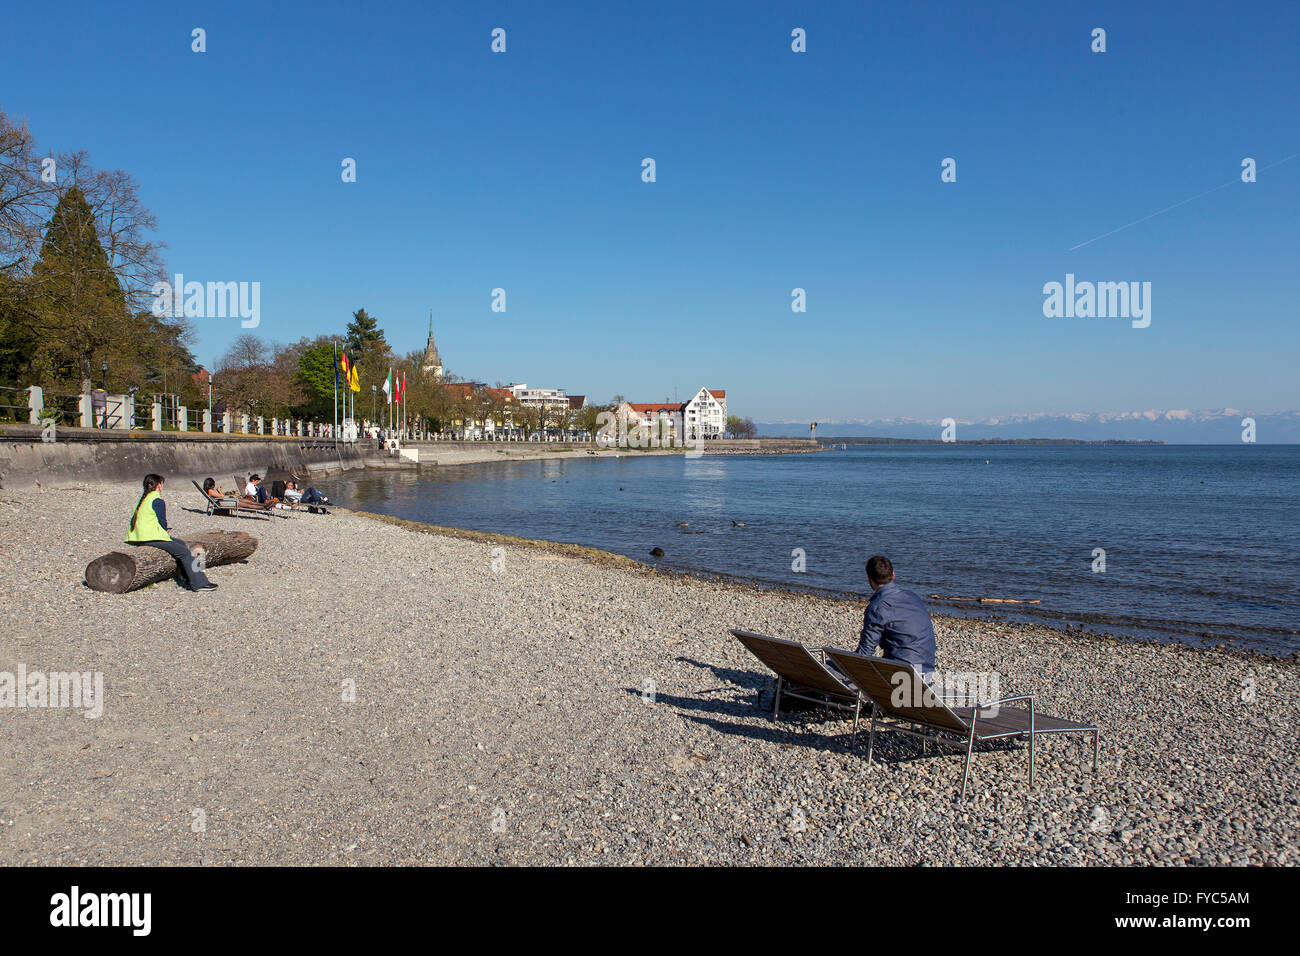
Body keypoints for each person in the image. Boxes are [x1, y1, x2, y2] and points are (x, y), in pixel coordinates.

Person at [126, 474, 217, 591]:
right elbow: (162, 524)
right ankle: (199, 583)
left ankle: (184, 577)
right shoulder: (157, 500)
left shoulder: (144, 500)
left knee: (181, 544)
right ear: (159, 485)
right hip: (151, 537)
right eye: (162, 484)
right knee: (185, 551)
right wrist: (166, 530)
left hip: (139, 537)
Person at [855, 555, 936, 678]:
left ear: (869, 579)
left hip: (900, 675)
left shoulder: (877, 607)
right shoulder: (913, 596)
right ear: (893, 575)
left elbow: (865, 654)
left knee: (829, 669)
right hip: (927, 670)